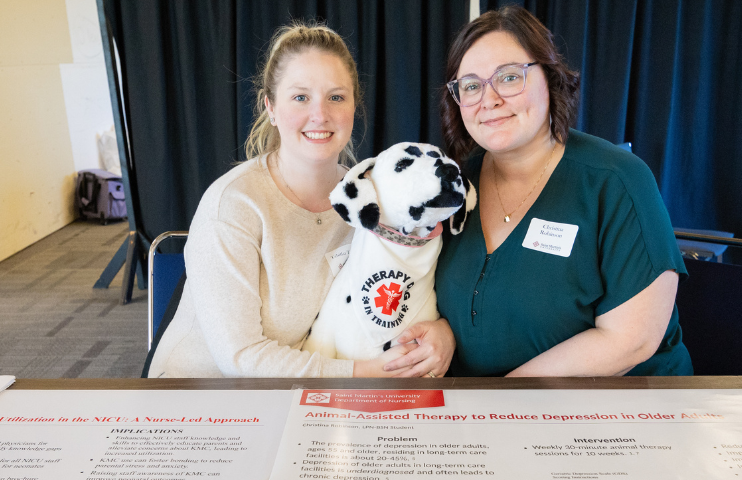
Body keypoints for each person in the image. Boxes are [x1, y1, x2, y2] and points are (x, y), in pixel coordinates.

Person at [148, 21, 453, 378]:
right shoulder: (233, 204)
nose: (320, 115)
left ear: (354, 106)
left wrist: (443, 332)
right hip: (204, 392)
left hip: (306, 389)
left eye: (336, 97)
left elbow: (403, 280)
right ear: (270, 107)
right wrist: (364, 373)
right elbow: (240, 358)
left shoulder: (367, 198)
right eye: (300, 97)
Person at [410, 6, 693, 377]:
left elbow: (631, 340)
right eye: (471, 86)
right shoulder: (453, 186)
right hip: (481, 406)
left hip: (618, 405)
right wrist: (444, 331)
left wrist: (504, 399)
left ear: (551, 77)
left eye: (509, 77)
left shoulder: (617, 180)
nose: (489, 99)